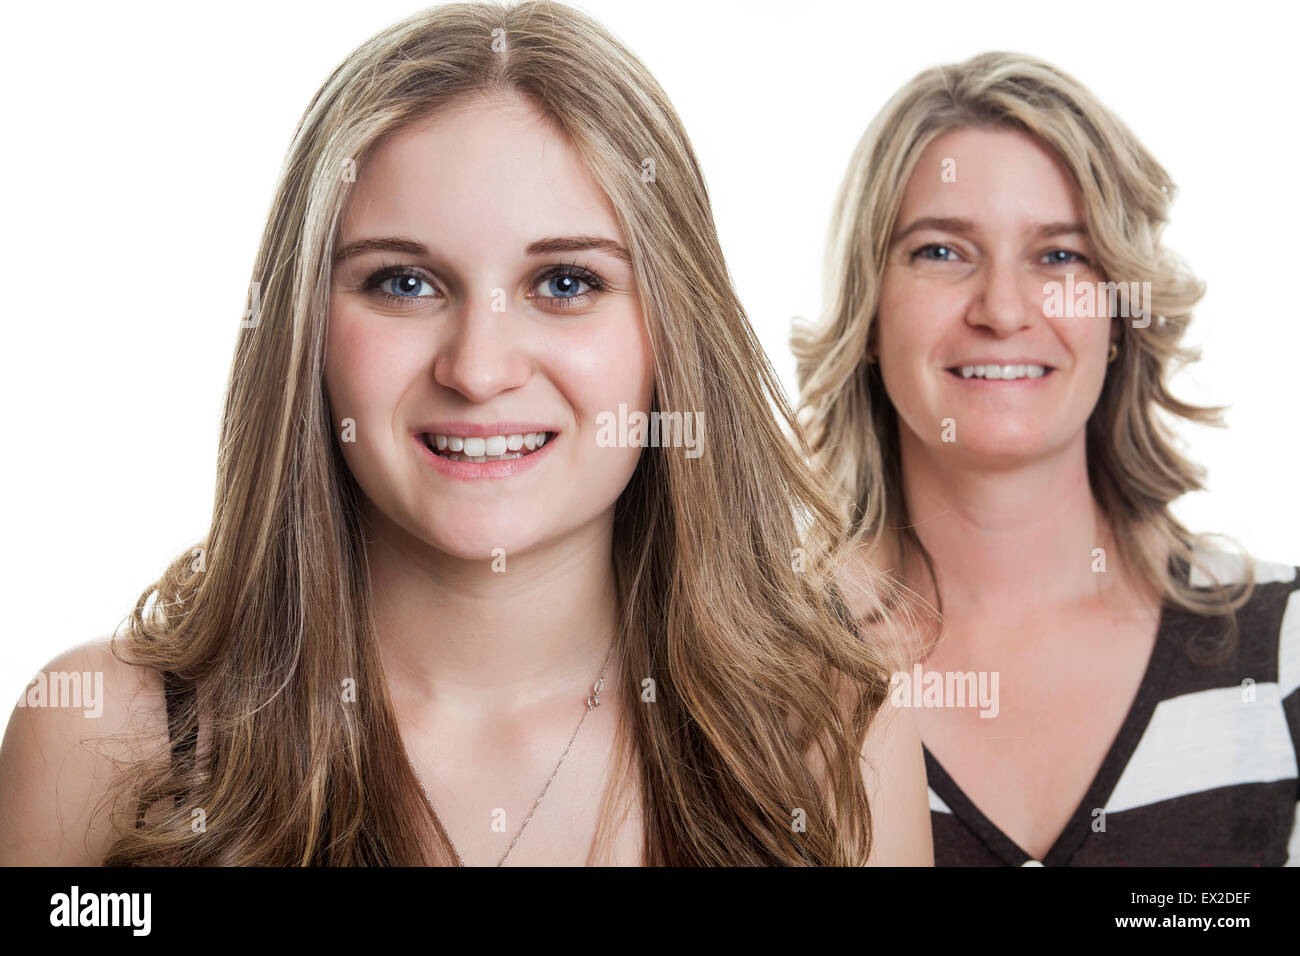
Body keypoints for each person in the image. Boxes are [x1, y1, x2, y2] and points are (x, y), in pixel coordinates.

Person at [0, 1, 931, 866]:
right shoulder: (95, 740)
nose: (480, 369)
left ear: (673, 333)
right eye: (404, 282)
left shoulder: (836, 736)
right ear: (304, 334)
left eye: (566, 282)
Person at [793, 51, 1299, 865]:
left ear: (1118, 314)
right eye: (941, 251)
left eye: (1060, 256)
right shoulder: (752, 669)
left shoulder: (1283, 647)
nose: (1002, 309)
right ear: (871, 314)